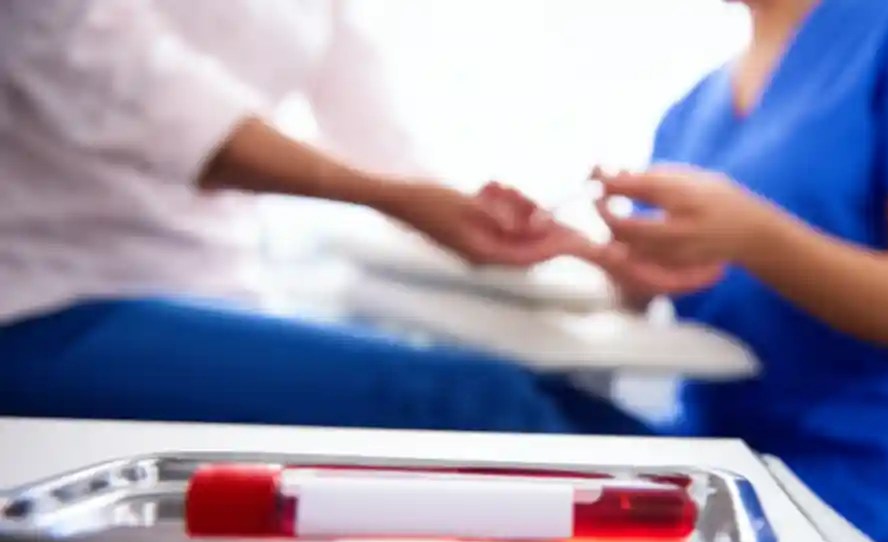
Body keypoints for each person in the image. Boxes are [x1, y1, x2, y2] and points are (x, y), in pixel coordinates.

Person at [0, 0, 639, 434]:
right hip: (47, 301)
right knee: (479, 404)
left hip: (212, 292)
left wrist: (576, 246)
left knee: (557, 399)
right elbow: (163, 110)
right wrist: (391, 196)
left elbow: (387, 148)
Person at [582, 0, 888, 542]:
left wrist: (754, 236)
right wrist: (601, 260)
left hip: (845, 482)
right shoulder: (688, 113)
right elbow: (640, 293)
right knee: (496, 393)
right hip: (708, 464)